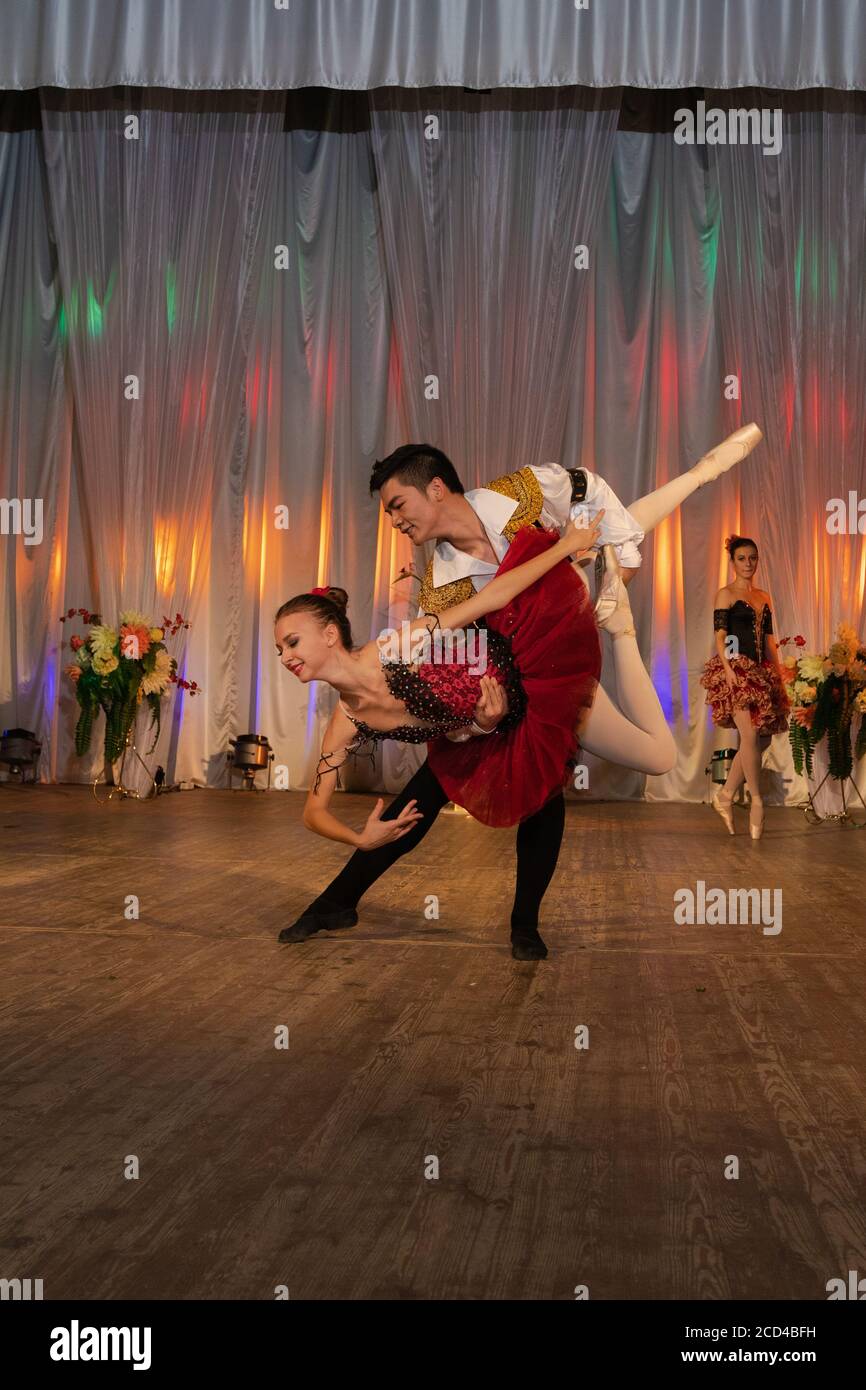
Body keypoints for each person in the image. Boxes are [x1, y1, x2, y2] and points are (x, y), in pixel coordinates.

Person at [276, 514, 602, 958]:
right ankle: (335, 903)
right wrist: (359, 837)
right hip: (473, 727)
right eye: (279, 649)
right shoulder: (345, 722)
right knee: (407, 814)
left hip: (530, 678)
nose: (285, 656)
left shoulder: (397, 648)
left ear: (330, 634)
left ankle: (524, 923)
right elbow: (313, 811)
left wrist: (569, 545)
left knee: (550, 793)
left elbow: (494, 596)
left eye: (292, 642)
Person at [700, 534, 790, 840]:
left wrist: (778, 675)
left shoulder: (764, 596)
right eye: (742, 558)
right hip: (735, 669)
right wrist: (727, 668)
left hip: (761, 672)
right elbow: (720, 635)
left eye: (752, 558)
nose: (748, 563)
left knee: (760, 741)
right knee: (749, 735)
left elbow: (767, 642)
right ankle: (756, 801)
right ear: (733, 561)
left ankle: (725, 795)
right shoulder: (725, 594)